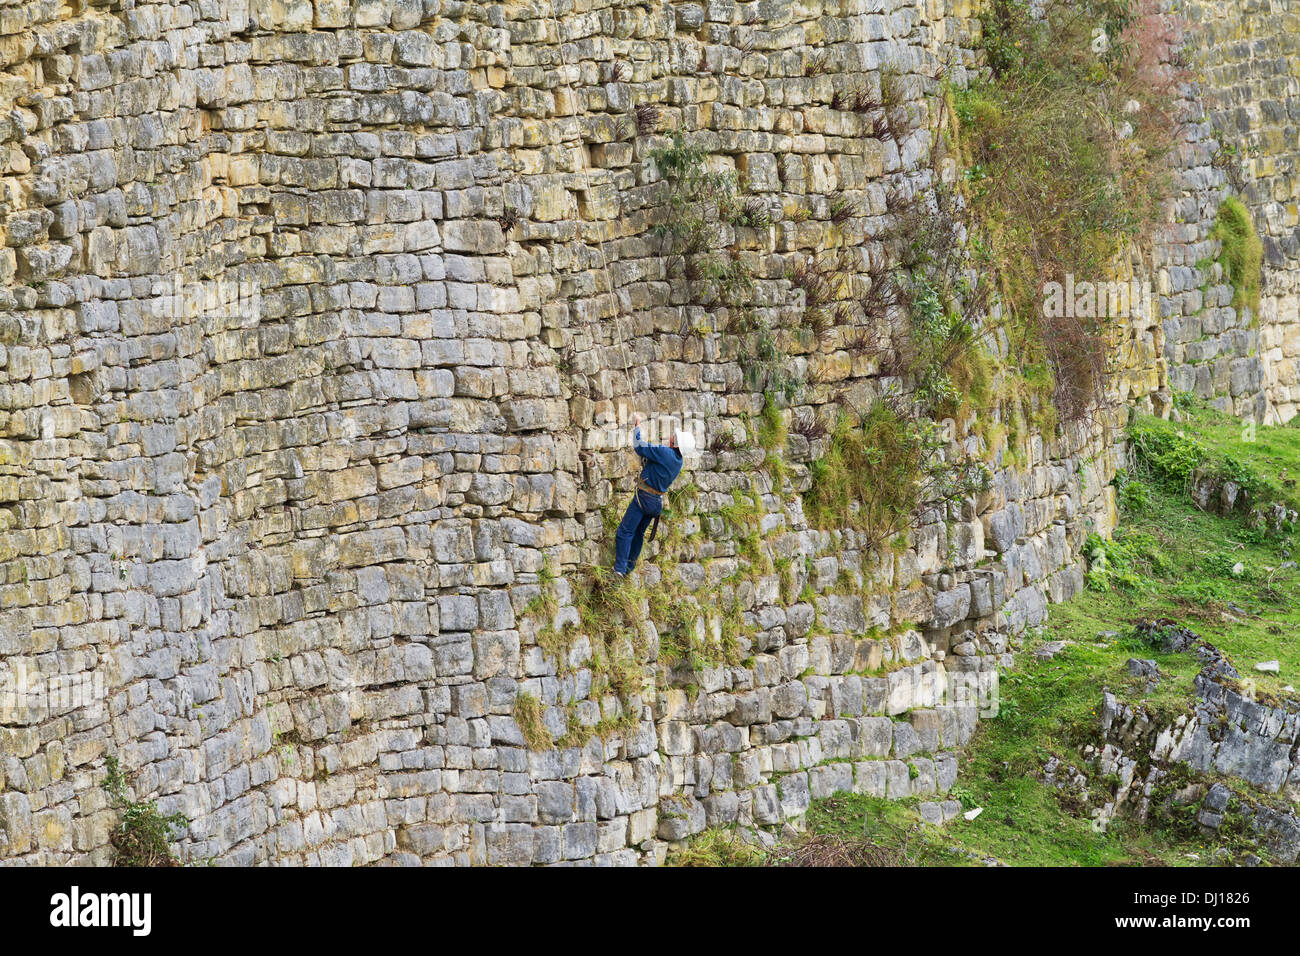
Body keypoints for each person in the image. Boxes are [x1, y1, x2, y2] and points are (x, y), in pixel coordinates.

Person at [613, 413, 696, 577]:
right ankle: (629, 568)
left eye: (673, 437)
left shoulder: (665, 453)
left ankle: (619, 570)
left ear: (675, 444)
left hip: (643, 499)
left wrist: (637, 426)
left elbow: (639, 447)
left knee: (625, 531)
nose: (671, 436)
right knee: (638, 534)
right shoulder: (678, 461)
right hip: (655, 504)